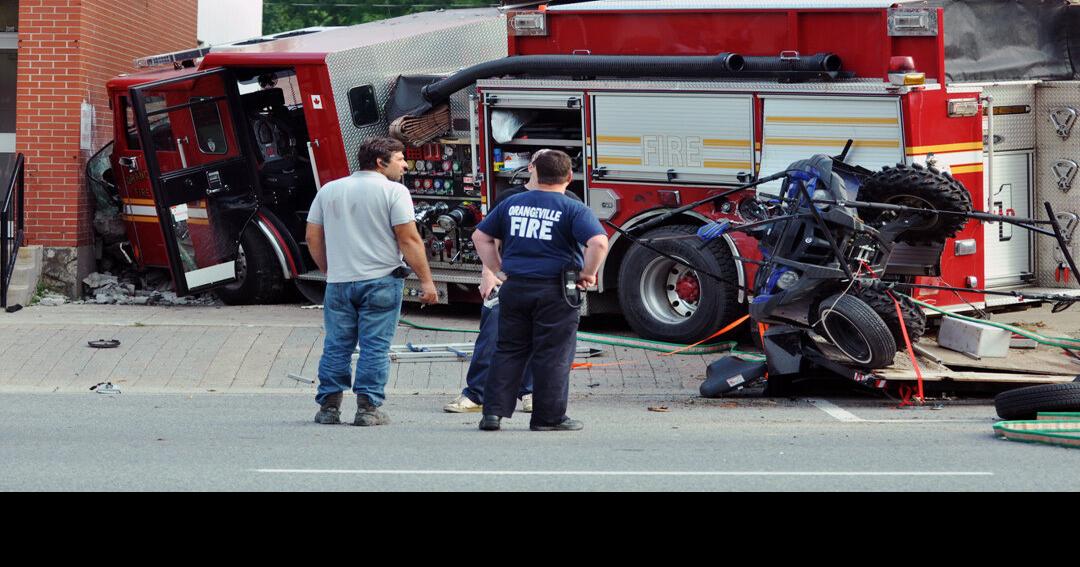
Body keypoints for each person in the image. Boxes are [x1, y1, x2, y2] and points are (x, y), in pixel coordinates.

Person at [471, 150, 609, 431]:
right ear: (569, 177)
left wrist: (498, 268)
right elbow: (598, 243)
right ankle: (548, 418)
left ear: (534, 171)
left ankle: (492, 413)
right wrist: (588, 274)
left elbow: (480, 236)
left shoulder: (513, 203)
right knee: (553, 354)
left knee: (508, 349)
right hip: (555, 291)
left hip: (516, 287)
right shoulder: (572, 208)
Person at [306, 137, 438, 426]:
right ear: (381, 162)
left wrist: (329, 269)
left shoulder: (329, 190)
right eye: (400, 158)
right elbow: (408, 238)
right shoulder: (394, 191)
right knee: (374, 347)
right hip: (380, 281)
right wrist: (427, 281)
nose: (405, 164)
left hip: (339, 283)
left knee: (336, 346)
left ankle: (328, 407)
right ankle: (368, 408)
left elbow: (313, 237)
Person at [443, 149, 584, 415]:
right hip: (511, 281)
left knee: (538, 341)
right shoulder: (510, 198)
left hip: (549, 283)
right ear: (531, 167)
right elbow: (489, 237)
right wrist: (491, 272)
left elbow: (582, 242)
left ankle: (530, 392)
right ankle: (476, 394)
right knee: (493, 336)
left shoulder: (570, 200)